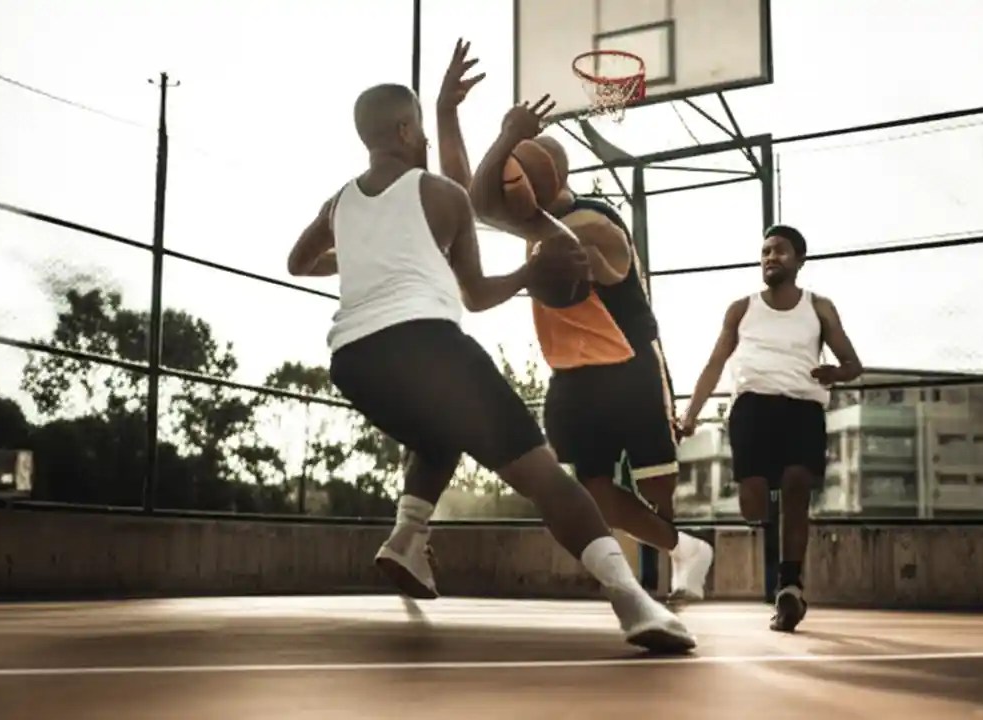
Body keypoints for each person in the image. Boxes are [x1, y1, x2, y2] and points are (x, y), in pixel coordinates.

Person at [283, 68, 695, 653]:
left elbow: (299, 263)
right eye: (421, 129)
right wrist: (529, 272)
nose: (425, 140)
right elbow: (475, 296)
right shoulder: (440, 194)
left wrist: (361, 257)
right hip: (428, 348)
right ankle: (634, 601)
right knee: (547, 479)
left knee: (436, 436)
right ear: (404, 129)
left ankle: (405, 539)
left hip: (353, 362)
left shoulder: (338, 202)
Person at [460, 69, 714, 601]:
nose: (514, 189)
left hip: (629, 363)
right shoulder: (534, 225)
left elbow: (502, 215)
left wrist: (509, 145)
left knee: (656, 481)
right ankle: (685, 547)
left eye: (520, 177)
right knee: (592, 490)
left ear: (544, 177)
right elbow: (479, 202)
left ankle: (681, 569)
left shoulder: (592, 221)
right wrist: (496, 135)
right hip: (572, 372)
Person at [678, 225, 862, 632]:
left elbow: (854, 364)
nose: (770, 258)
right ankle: (768, 518)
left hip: (802, 407)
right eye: (764, 252)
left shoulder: (820, 308)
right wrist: (690, 415)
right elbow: (713, 364)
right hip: (752, 408)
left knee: (797, 486)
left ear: (799, 260)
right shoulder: (741, 308)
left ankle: (789, 587)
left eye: (779, 251)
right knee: (755, 504)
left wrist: (835, 371)